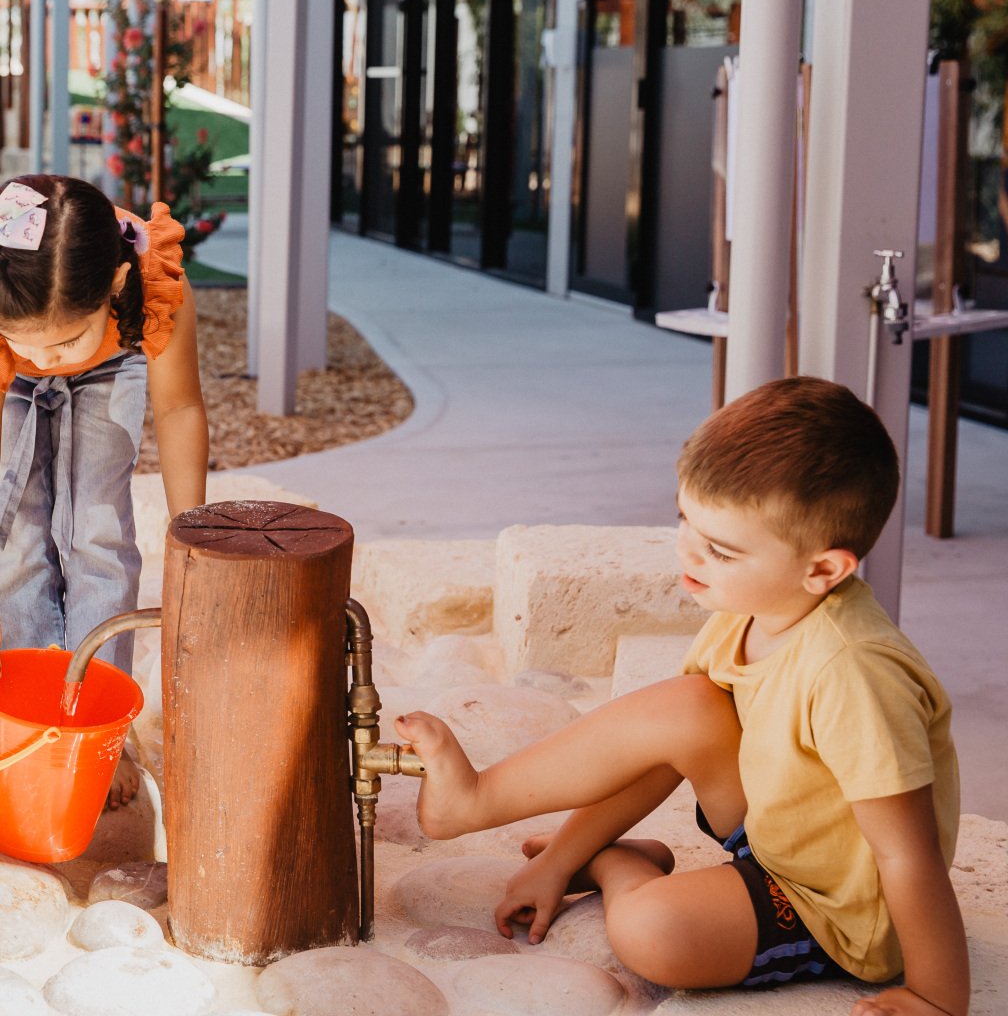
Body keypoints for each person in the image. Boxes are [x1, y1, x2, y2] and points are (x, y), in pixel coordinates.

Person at [396, 377, 967, 1016]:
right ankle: (473, 800)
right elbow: (658, 754)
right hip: (777, 827)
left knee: (653, 935)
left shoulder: (855, 674)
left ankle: (620, 868)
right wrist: (560, 858)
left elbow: (906, 853)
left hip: (835, 907)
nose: (688, 553)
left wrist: (935, 996)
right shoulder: (750, 606)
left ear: (825, 571)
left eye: (720, 550)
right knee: (684, 705)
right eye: (684, 520)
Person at [0, 175, 209, 803]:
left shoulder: (151, 283)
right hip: (2, 361)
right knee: (17, 538)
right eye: (34, 344)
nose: (50, 361)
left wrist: (192, 545)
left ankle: (97, 732)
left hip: (115, 362)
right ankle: (33, 718)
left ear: (114, 287)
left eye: (65, 341)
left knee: (98, 535)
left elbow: (179, 412)